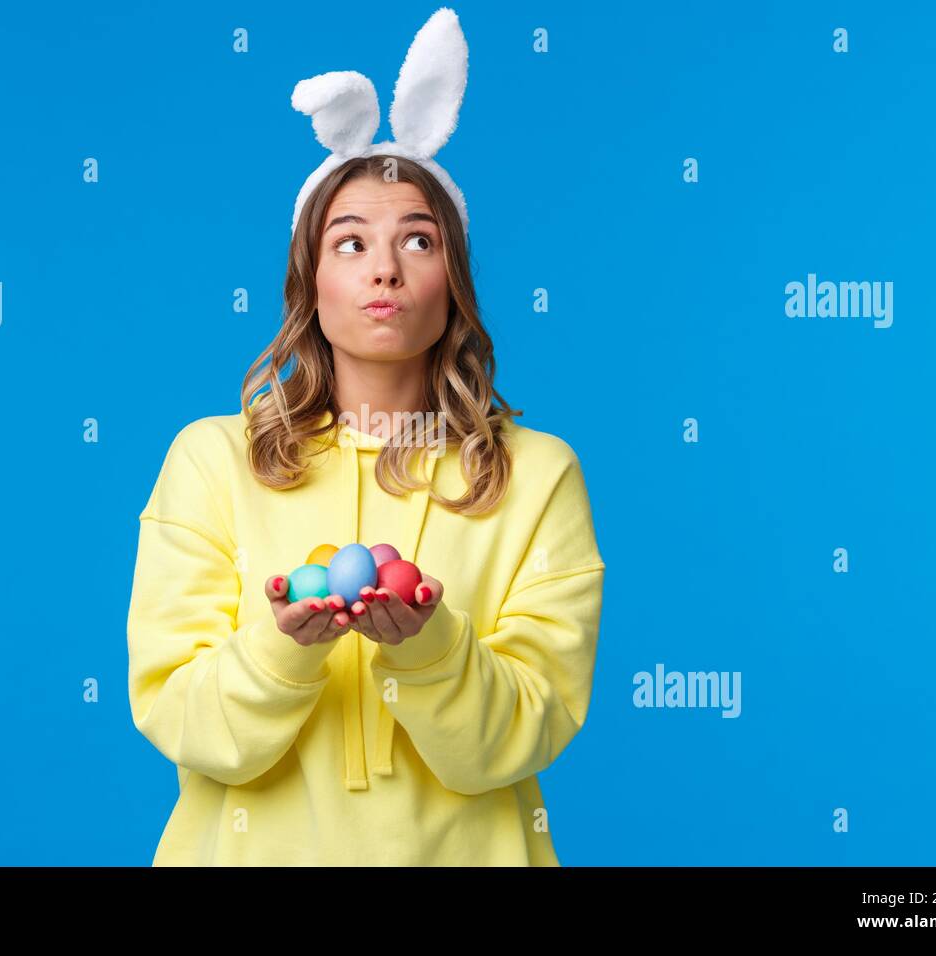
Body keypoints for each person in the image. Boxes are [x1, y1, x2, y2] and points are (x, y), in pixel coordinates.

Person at [126, 9, 604, 865]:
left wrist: (428, 646)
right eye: (350, 242)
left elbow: (525, 734)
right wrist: (282, 646)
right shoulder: (210, 462)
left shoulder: (539, 475)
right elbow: (185, 721)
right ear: (311, 282)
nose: (385, 267)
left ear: (452, 280)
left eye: (417, 240)